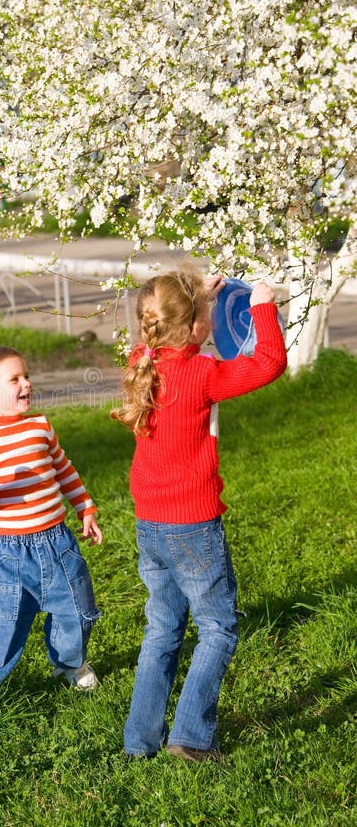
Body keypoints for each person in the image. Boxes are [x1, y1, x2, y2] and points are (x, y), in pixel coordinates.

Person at [111, 267, 287, 761]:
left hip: (150, 522)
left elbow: (163, 339)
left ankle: (139, 740)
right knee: (217, 628)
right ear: (195, 328)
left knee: (163, 629)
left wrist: (197, 299)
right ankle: (190, 737)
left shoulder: (140, 363)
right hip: (193, 524)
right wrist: (263, 306)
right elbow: (269, 362)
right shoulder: (201, 375)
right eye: (206, 313)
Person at [0, 345, 103, 706]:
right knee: (0, 624)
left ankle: (68, 665)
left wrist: (84, 506)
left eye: (27, 375)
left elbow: (63, 469)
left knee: (77, 610)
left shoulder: (40, 425)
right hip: (9, 554)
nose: (26, 383)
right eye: (15, 378)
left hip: (57, 543)